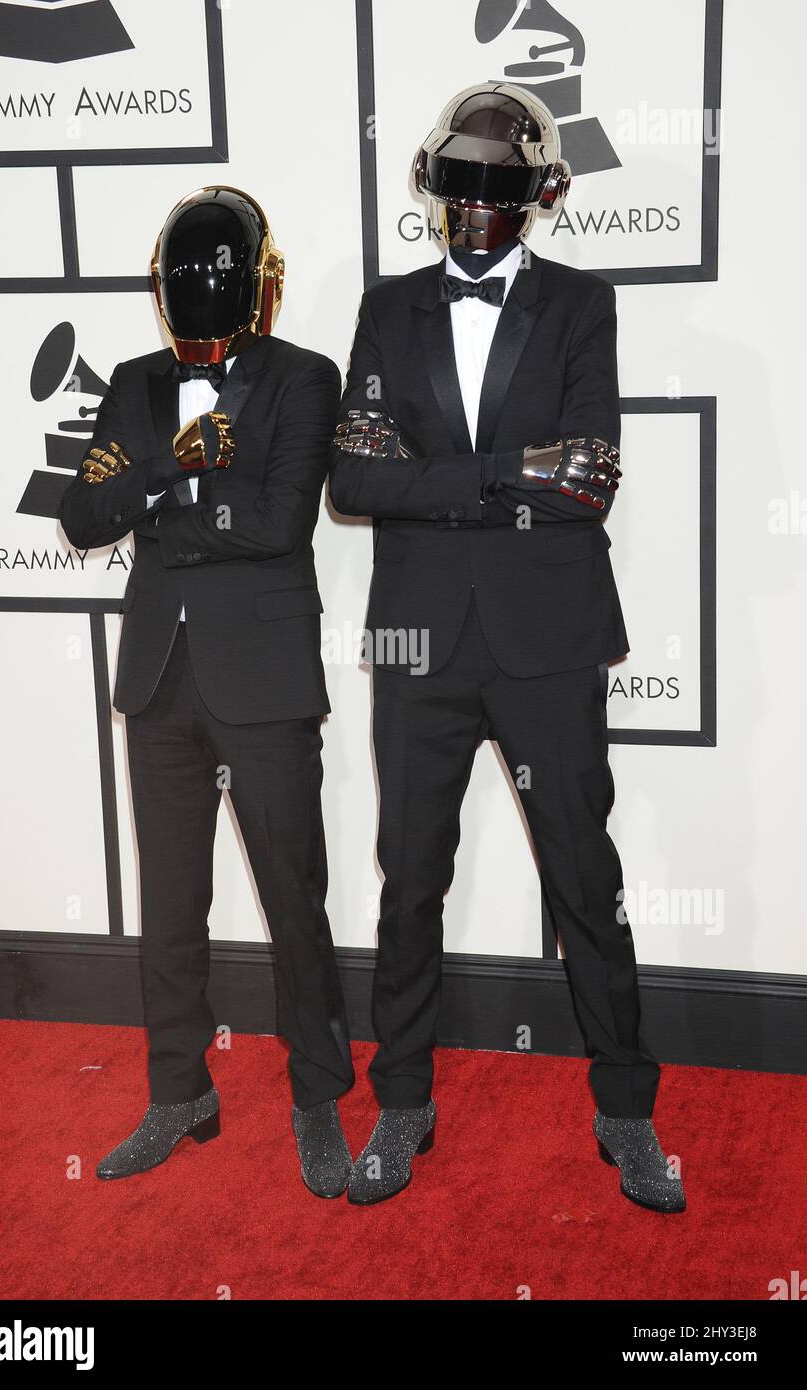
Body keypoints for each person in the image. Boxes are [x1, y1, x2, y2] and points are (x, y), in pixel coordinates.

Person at [330, 85, 685, 1212]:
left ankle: (626, 1110)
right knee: (408, 874)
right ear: (435, 188)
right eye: (460, 184)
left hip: (550, 632)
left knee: (586, 873)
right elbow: (352, 481)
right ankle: (402, 1102)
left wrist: (437, 481)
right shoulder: (387, 309)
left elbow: (585, 484)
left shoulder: (585, 303)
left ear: (539, 196)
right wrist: (499, 473)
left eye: (498, 186)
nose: (474, 207)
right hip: (418, 635)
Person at [59, 186, 355, 1195]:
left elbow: (279, 523)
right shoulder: (134, 382)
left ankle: (317, 1093)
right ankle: (178, 1089)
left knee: (293, 901)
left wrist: (156, 495)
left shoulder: (307, 379)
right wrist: (177, 470)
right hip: (158, 682)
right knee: (170, 906)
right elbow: (82, 514)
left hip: (265, 683)